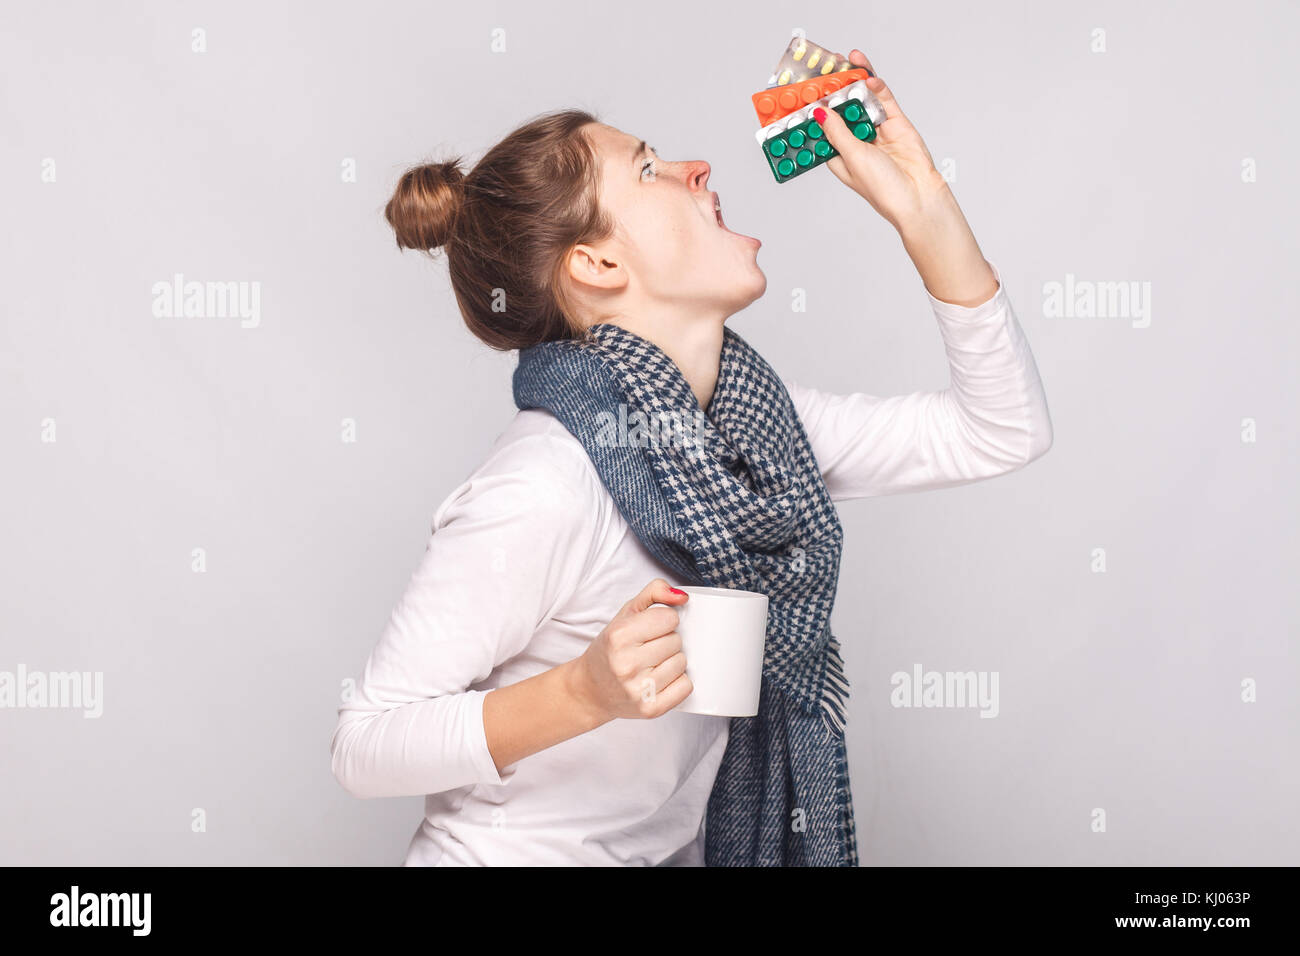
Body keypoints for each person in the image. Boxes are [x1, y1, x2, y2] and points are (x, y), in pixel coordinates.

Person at [330, 49, 1053, 866]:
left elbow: (1003, 429)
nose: (695, 167)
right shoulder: (547, 480)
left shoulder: (758, 438)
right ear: (597, 264)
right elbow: (365, 743)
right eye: (649, 169)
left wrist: (925, 210)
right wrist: (583, 692)